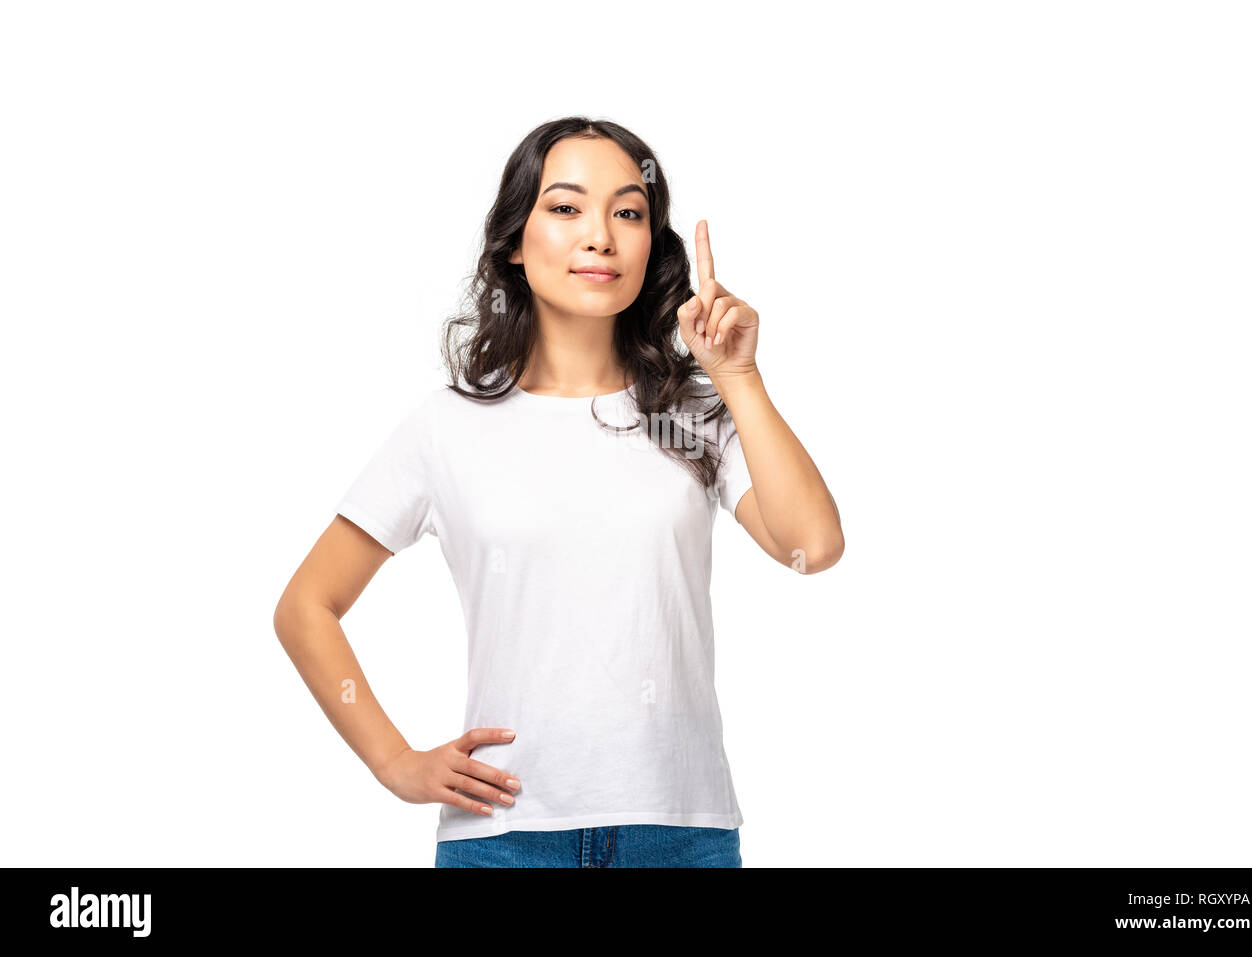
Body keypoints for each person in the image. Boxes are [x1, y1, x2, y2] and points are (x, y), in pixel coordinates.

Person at [273, 116, 844, 868]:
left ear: (651, 242)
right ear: (516, 238)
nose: (600, 235)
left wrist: (739, 379)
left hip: (681, 836)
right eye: (566, 206)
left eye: (628, 211)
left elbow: (813, 546)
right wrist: (395, 761)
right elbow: (306, 606)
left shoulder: (693, 415)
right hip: (504, 836)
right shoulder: (449, 427)